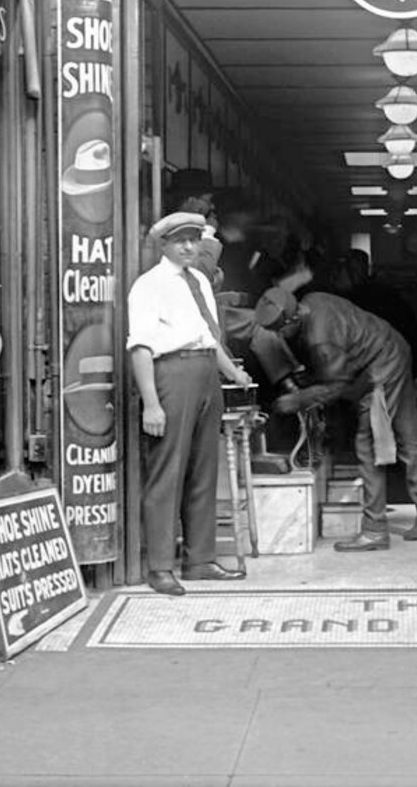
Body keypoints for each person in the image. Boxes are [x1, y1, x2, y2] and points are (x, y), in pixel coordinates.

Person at [257, 278, 417, 553]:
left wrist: (297, 400)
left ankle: (374, 530)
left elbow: (337, 385)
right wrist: (312, 378)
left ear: (293, 320)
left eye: (279, 330)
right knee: (407, 431)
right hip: (393, 348)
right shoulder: (312, 300)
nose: (279, 337)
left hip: (380, 367)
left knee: (369, 444)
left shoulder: (320, 340)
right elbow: (337, 359)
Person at [127, 210, 255, 596]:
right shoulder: (148, 286)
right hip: (172, 373)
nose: (188, 247)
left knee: (203, 469)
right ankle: (160, 566)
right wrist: (152, 403)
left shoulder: (198, 280)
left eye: (193, 240)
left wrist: (233, 373)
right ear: (163, 245)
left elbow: (208, 337)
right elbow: (140, 347)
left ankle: (200, 559)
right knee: (167, 471)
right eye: (180, 241)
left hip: (205, 374)